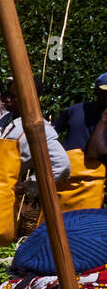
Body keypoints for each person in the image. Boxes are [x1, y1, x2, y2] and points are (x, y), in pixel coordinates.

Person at [0, 77, 70, 253]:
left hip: (0, 206)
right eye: (6, 94)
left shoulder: (41, 129)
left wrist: (27, 186)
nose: (6, 99)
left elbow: (61, 166)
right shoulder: (5, 120)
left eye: (13, 97)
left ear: (29, 99)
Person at [50, 72, 106, 213]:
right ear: (96, 91)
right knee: (52, 222)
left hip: (90, 186)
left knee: (81, 227)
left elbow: (94, 152)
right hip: (63, 177)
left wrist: (104, 120)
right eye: (104, 92)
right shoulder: (77, 110)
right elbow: (51, 133)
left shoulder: (104, 120)